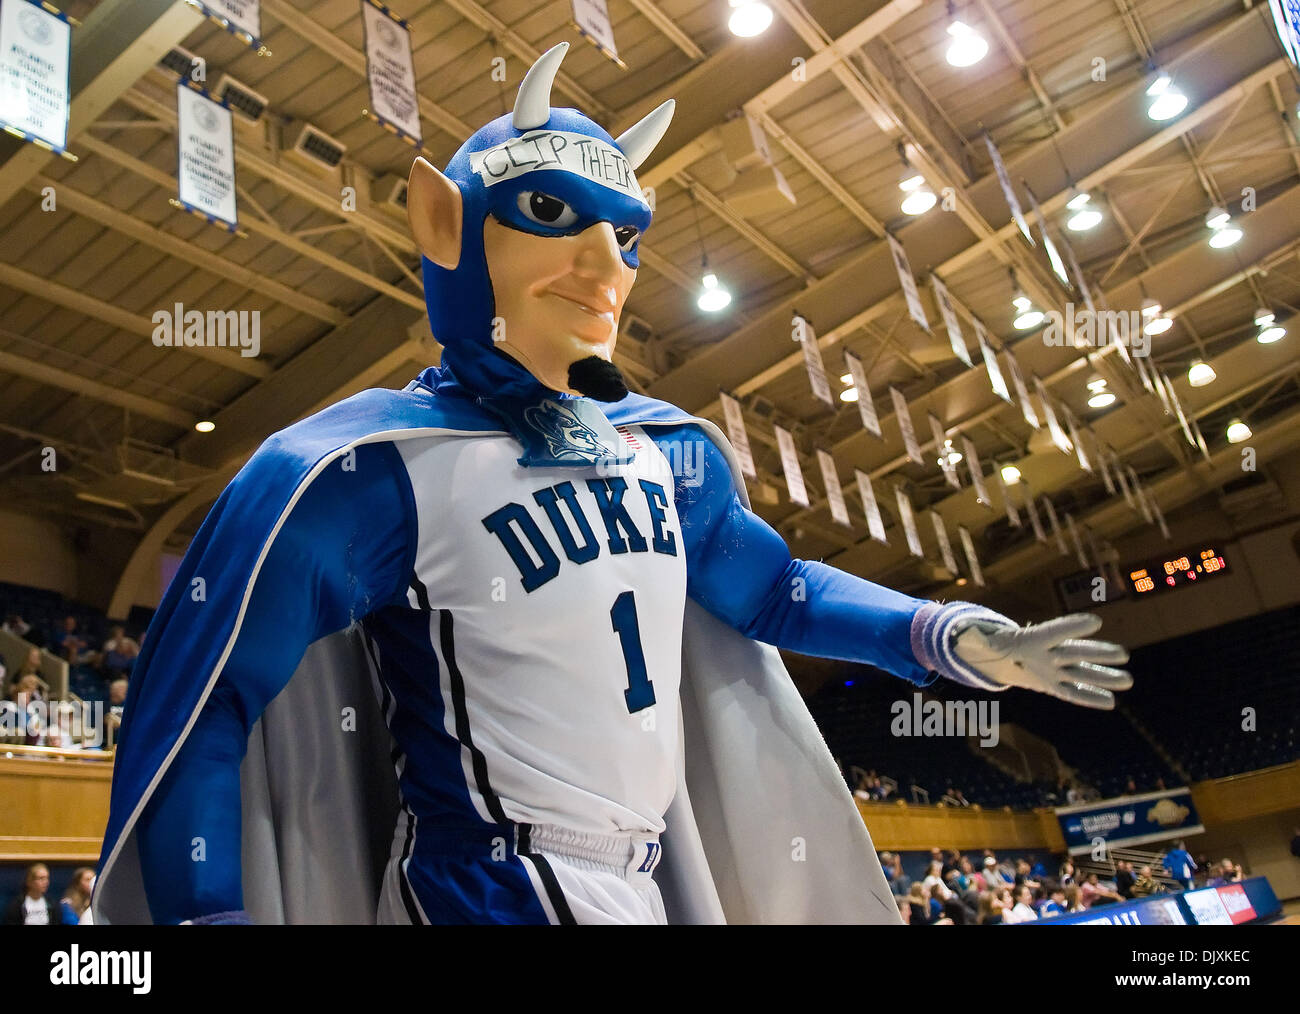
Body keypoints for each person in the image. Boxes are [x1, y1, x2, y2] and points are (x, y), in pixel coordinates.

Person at [92, 44, 1133, 927]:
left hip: (641, 879)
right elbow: (204, 706)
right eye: (552, 212)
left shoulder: (663, 450)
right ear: (440, 222)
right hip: (492, 879)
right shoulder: (366, 465)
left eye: (627, 233)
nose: (604, 264)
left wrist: (954, 635)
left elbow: (777, 593)